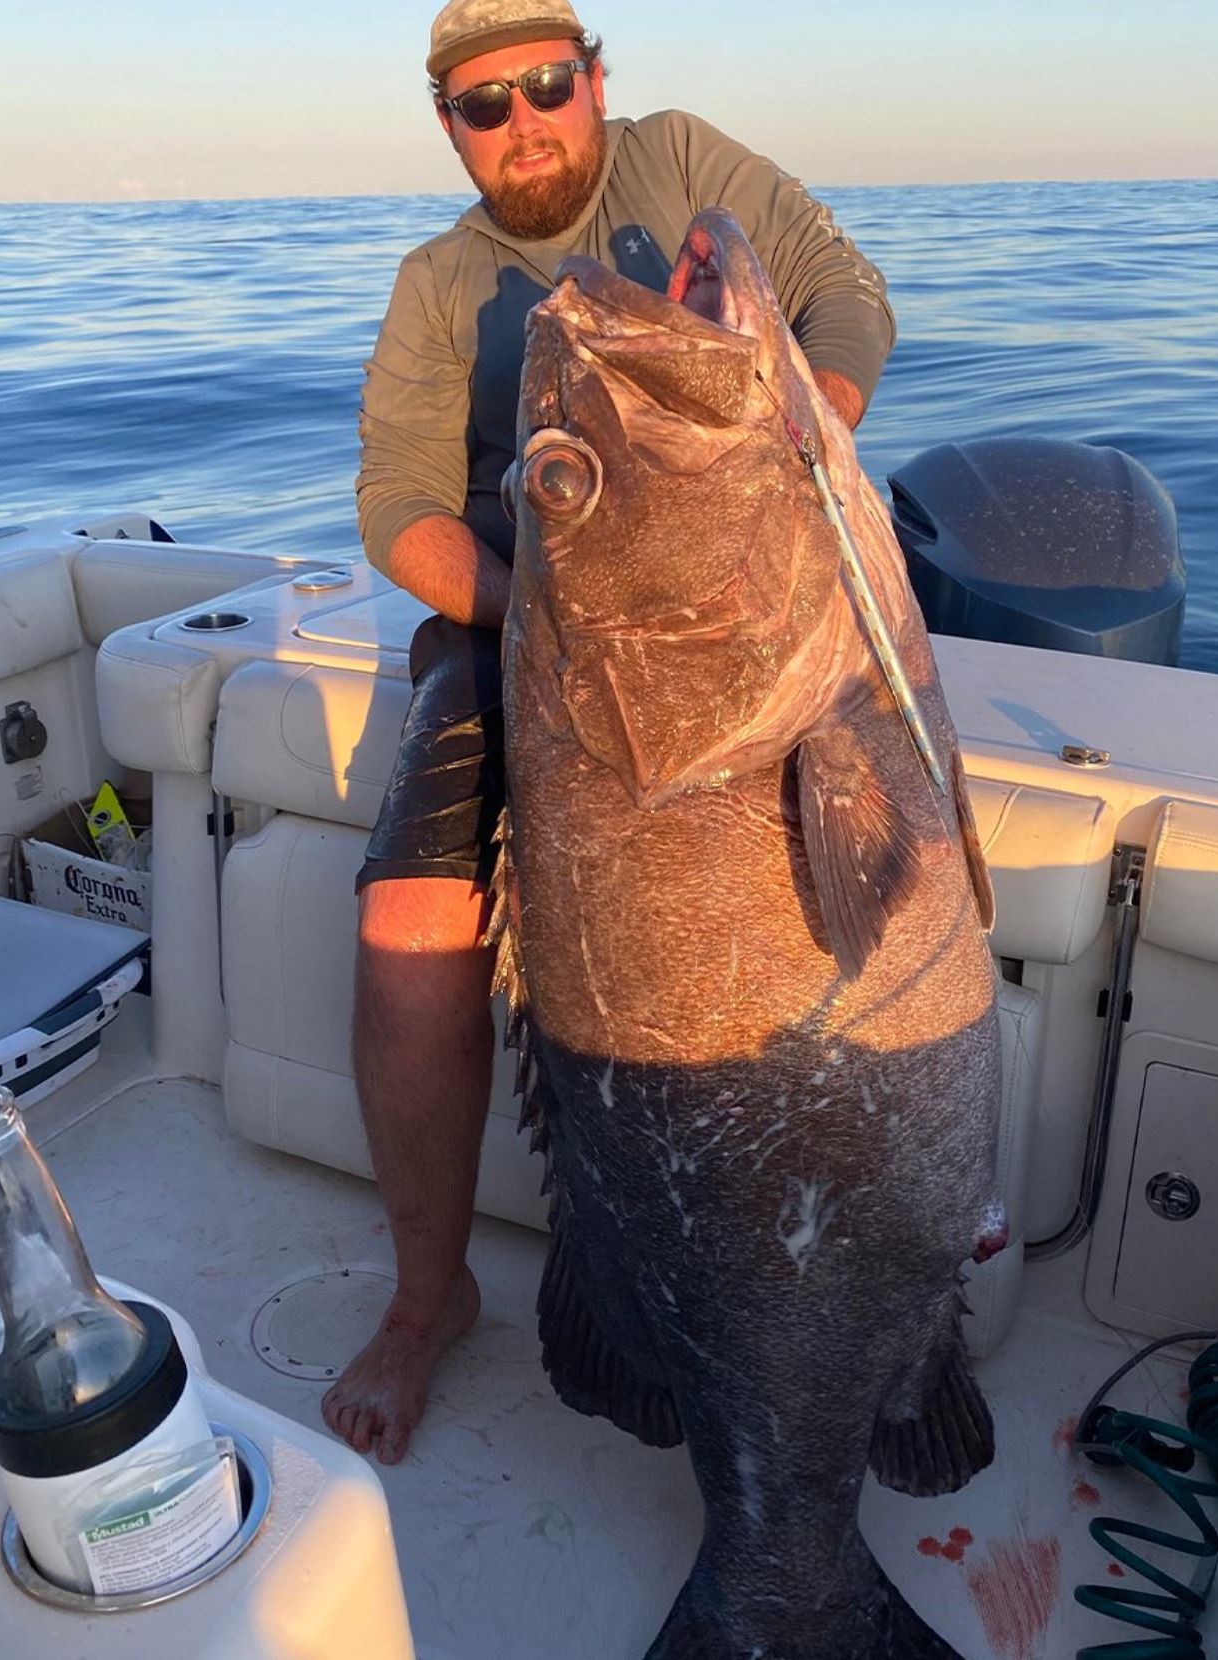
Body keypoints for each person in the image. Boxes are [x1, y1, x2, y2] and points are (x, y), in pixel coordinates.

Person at [322, 0, 897, 1465]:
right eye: (483, 104)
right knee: (406, 924)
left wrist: (798, 431)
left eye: (545, 85)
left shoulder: (681, 162)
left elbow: (844, 298)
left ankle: (855, 1289)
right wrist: (554, 610)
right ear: (449, 125)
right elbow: (398, 506)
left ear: (594, 79)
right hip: (524, 622)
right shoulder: (437, 281)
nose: (522, 123)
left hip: (755, 590)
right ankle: (427, 1295)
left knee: (877, 898)